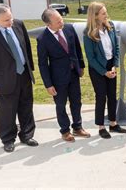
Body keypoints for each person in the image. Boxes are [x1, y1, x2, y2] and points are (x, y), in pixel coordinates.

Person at [0, 3, 38, 152]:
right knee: (7, 111)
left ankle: (27, 135)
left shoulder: (18, 24)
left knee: (26, 106)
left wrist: (30, 69)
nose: (10, 22)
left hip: (23, 74)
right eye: (6, 20)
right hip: (4, 79)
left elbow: (26, 47)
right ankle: (8, 139)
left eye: (11, 17)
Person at [37, 9, 91, 142]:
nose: (62, 22)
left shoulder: (69, 29)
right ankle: (65, 131)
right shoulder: (43, 39)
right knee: (61, 105)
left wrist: (82, 66)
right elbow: (42, 64)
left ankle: (77, 127)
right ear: (48, 24)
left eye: (61, 19)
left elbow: (77, 49)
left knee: (76, 102)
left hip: (73, 73)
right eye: (58, 21)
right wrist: (48, 84)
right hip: (57, 78)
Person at [84, 2, 126, 139]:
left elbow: (117, 48)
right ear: (95, 16)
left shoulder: (111, 26)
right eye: (103, 13)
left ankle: (113, 124)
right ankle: (101, 126)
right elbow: (91, 58)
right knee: (101, 96)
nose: (106, 15)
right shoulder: (88, 33)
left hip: (110, 65)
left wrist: (114, 65)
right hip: (97, 68)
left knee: (112, 95)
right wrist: (104, 72)